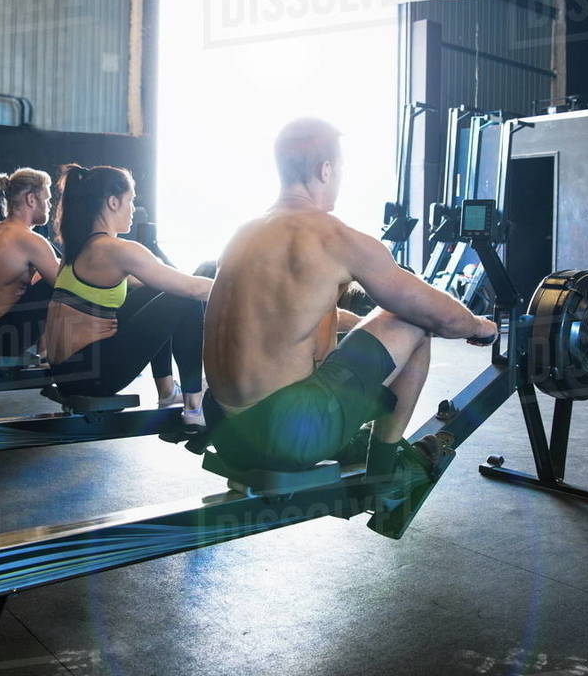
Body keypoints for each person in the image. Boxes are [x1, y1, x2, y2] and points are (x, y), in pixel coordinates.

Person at [204, 118, 499, 532]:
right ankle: (385, 475)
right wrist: (482, 327)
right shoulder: (333, 237)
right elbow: (441, 316)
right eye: (339, 169)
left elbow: (286, 316)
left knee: (363, 334)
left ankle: (360, 450)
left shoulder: (243, 233)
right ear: (325, 169)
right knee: (412, 321)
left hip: (224, 427)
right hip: (283, 434)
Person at [42, 165, 212, 426]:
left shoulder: (81, 247)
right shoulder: (116, 249)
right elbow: (193, 289)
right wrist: (241, 287)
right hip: (91, 375)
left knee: (160, 291)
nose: (133, 210)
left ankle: (168, 393)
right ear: (112, 202)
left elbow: (155, 283)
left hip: (68, 373)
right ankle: (193, 405)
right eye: (130, 201)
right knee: (183, 298)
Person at [0, 167, 60, 360]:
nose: (50, 205)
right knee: (68, 288)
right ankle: (54, 355)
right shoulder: (28, 239)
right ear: (31, 199)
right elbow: (68, 285)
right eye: (47, 199)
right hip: (2, 339)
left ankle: (46, 352)